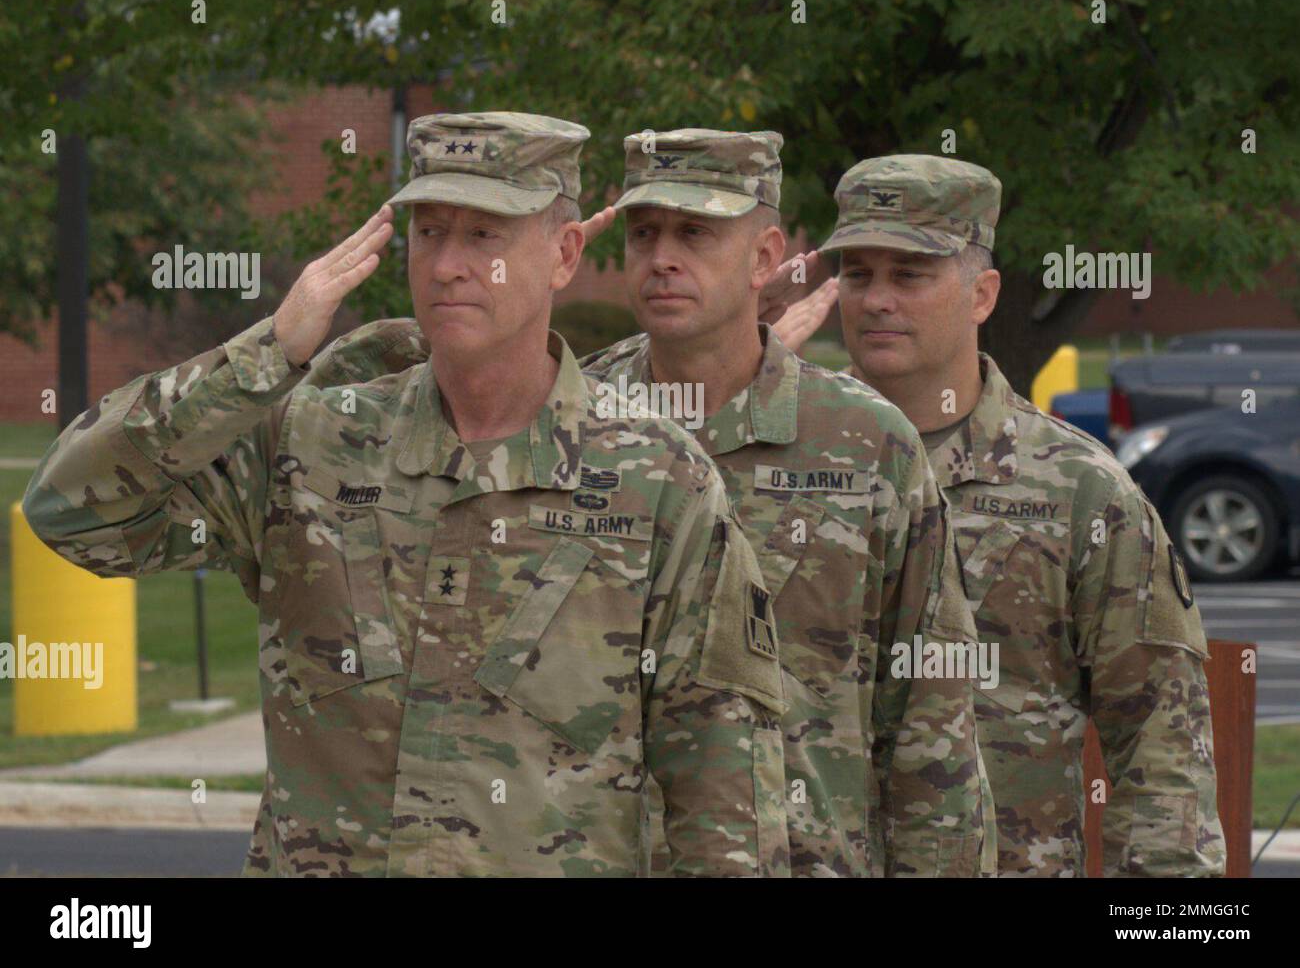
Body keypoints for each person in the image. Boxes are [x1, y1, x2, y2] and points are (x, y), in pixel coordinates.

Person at [22, 111, 791, 878]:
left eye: (484, 235)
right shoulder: (311, 444)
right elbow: (69, 510)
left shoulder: (657, 481)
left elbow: (725, 801)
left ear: (562, 255)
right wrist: (266, 355)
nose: (448, 264)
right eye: (430, 232)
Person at [772, 153, 1226, 877]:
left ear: (982, 294)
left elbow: (1162, 749)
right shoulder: (773, 465)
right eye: (858, 274)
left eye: (909, 274)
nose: (877, 299)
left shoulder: (1080, 491)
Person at [579, 129, 989, 877]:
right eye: (645, 234)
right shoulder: (575, 421)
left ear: (766, 258)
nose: (662, 257)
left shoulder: (867, 445)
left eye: (695, 232)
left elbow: (930, 730)